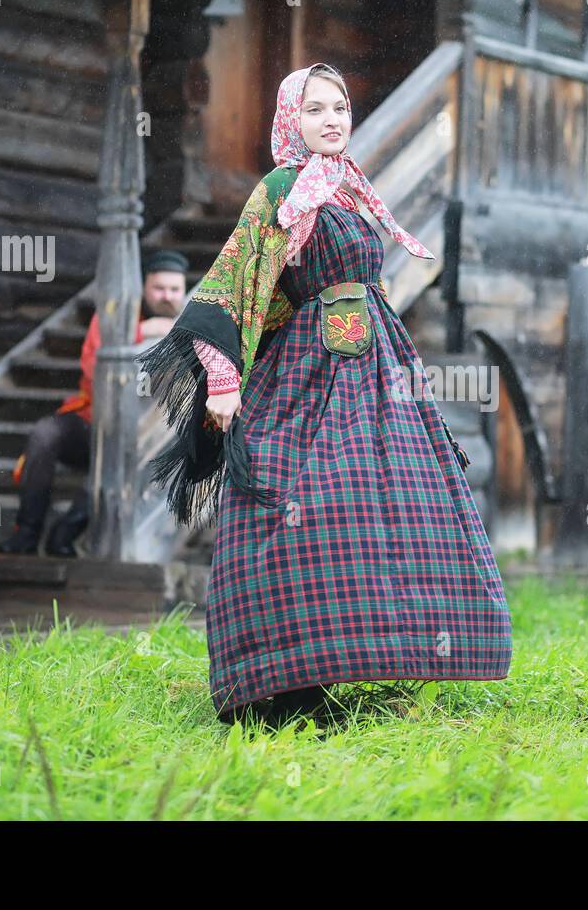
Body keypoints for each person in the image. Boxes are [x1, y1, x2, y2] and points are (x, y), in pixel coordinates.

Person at [136, 63, 513, 725]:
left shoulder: (345, 186)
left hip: (375, 373)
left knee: (382, 512)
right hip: (309, 375)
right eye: (315, 110)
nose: (332, 120)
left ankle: (364, 657)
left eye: (340, 107)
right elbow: (236, 283)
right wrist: (224, 382)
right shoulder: (284, 188)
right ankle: (283, 689)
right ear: (291, 120)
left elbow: (372, 288)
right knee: (300, 507)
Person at [0, 250, 189, 556]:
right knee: (44, 434)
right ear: (144, 288)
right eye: (159, 288)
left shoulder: (190, 323)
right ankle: (27, 532)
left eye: (174, 290)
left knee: (117, 451)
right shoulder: (117, 314)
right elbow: (92, 363)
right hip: (92, 418)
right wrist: (141, 331)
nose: (167, 296)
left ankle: (65, 533)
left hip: (144, 439)